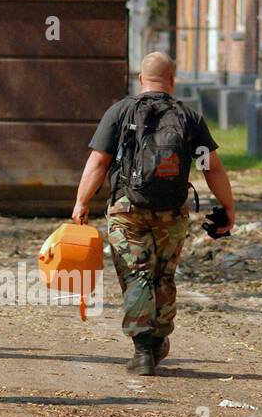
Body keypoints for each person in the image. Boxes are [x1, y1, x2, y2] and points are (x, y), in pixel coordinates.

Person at [72, 51, 236, 376]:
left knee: (136, 275)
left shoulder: (120, 111)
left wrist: (81, 202)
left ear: (140, 79)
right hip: (172, 213)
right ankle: (159, 339)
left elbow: (99, 162)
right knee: (163, 275)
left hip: (126, 210)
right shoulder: (189, 118)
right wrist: (228, 207)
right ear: (172, 80)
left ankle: (143, 349)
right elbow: (211, 168)